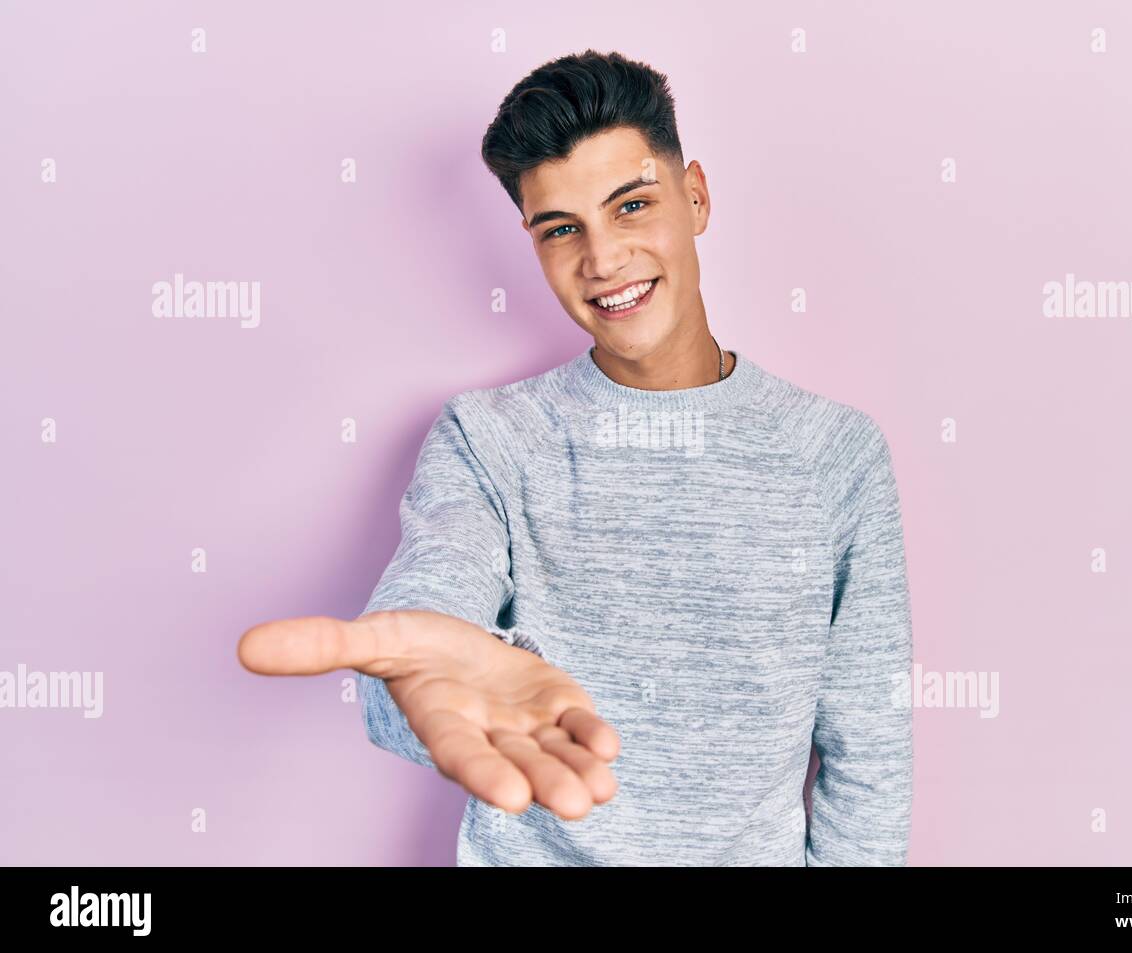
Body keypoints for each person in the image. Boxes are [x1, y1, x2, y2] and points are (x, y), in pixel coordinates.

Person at [238, 49, 913, 866]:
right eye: (561, 229)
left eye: (631, 206)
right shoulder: (488, 439)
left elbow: (868, 759)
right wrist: (421, 672)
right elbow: (423, 636)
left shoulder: (834, 455)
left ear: (695, 197)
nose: (602, 260)